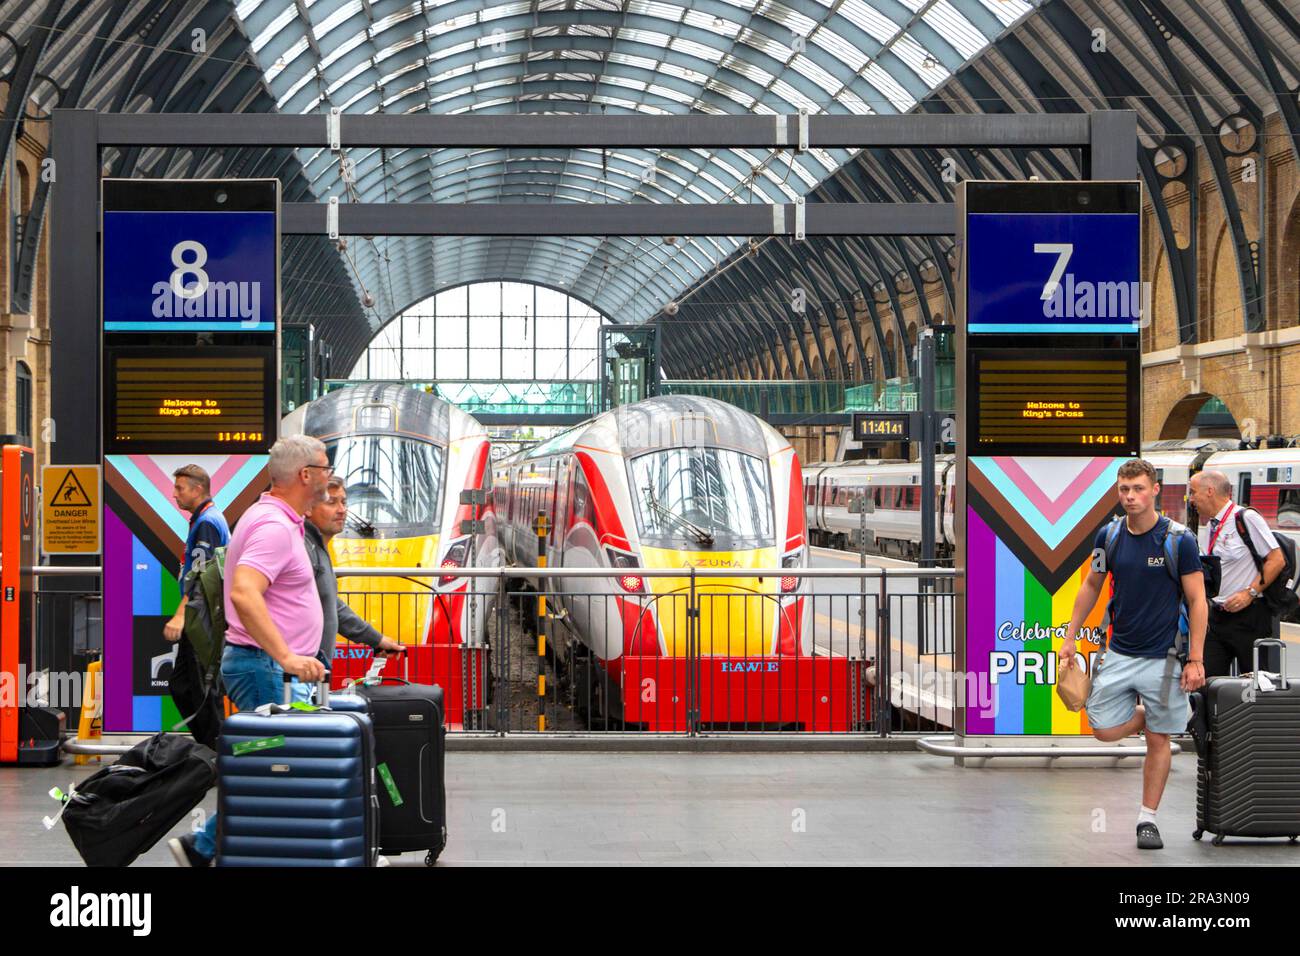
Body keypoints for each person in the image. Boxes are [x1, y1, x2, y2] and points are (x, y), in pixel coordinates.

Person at [170, 435, 332, 867]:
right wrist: (286, 656)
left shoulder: (276, 518)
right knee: (278, 766)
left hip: (267, 667)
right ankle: (205, 847)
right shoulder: (274, 527)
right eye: (325, 468)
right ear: (305, 475)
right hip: (264, 668)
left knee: (278, 764)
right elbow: (244, 593)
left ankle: (223, 848)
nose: (330, 477)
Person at [1061, 458, 1207, 851]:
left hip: (1166, 658)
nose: (1130, 497)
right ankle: (1150, 716)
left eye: (1138, 489)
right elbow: (1091, 586)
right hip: (1121, 652)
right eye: (1124, 490)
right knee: (1103, 729)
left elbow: (1197, 601)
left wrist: (1196, 658)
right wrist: (1070, 637)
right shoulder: (1108, 536)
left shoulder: (1179, 540)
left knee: (1159, 740)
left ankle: (1148, 819)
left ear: (1155, 489)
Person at [1188, 469, 1285, 677]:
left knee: (1255, 684)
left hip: (1248, 618)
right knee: (1208, 682)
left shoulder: (1246, 518)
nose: (1191, 499)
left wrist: (1248, 593)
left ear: (1210, 491)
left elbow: (1276, 560)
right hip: (1216, 616)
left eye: (1194, 492)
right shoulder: (1210, 525)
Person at [306, 476, 405, 671]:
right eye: (331, 502)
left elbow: (331, 604)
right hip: (292, 671)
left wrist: (376, 639)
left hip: (309, 669)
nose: (342, 510)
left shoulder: (317, 547)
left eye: (344, 502)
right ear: (308, 508)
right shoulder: (304, 548)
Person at [163, 465, 230, 642]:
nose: (174, 494)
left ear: (198, 489)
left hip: (201, 617)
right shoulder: (209, 517)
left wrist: (180, 615)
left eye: (180, 488)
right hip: (201, 614)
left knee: (195, 669)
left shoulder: (206, 522)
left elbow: (200, 574)